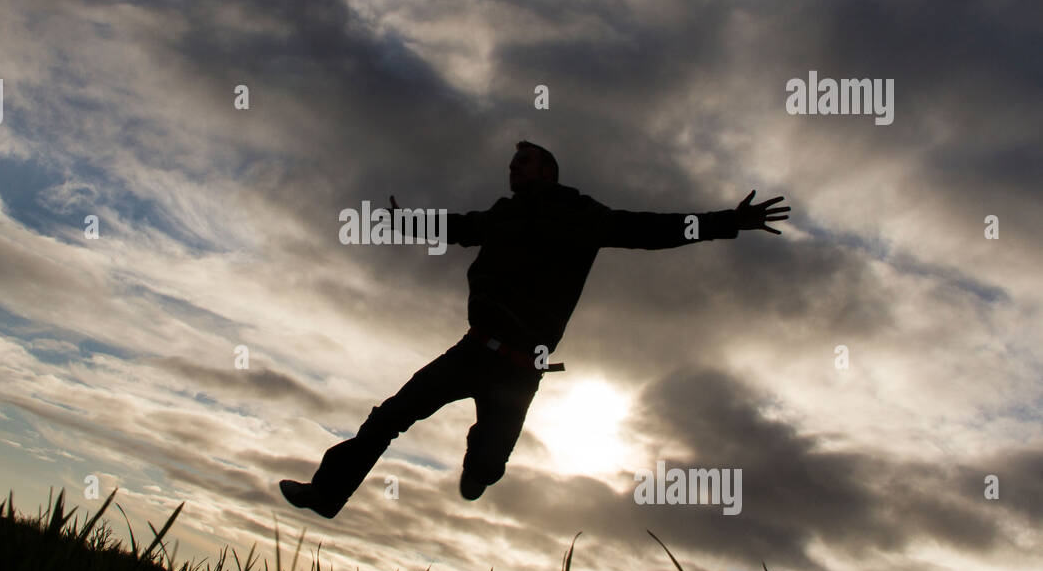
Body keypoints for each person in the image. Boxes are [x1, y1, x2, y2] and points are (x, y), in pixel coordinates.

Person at [279, 141, 789, 518]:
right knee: (389, 415)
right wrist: (401, 221)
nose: (511, 169)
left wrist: (729, 221)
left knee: (487, 467)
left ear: (547, 170)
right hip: (472, 350)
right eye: (510, 164)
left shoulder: (584, 216)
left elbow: (652, 229)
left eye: (521, 162)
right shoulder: (501, 215)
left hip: (519, 370)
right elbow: (456, 226)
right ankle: (327, 494)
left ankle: (480, 464)